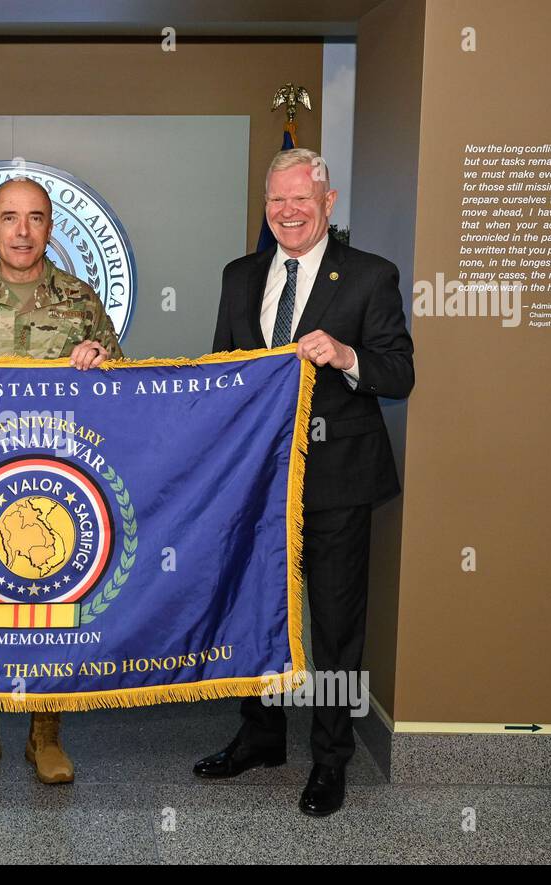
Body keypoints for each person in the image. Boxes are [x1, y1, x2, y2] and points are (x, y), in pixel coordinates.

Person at [199, 148, 415, 816]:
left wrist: (348, 355)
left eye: (301, 199)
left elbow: (398, 372)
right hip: (257, 483)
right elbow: (220, 372)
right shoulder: (240, 276)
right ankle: (261, 736)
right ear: (264, 206)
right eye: (276, 201)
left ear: (329, 201)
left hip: (338, 481)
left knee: (336, 626)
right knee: (258, 611)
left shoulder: (371, 276)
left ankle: (331, 760)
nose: (288, 212)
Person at [0, 176, 123, 788]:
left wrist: (101, 363)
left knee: (55, 600)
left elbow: (124, 399)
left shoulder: (83, 300)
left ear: (50, 228)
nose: (22, 231)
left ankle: (45, 737)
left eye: (35, 218)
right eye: (9, 218)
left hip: (56, 482)